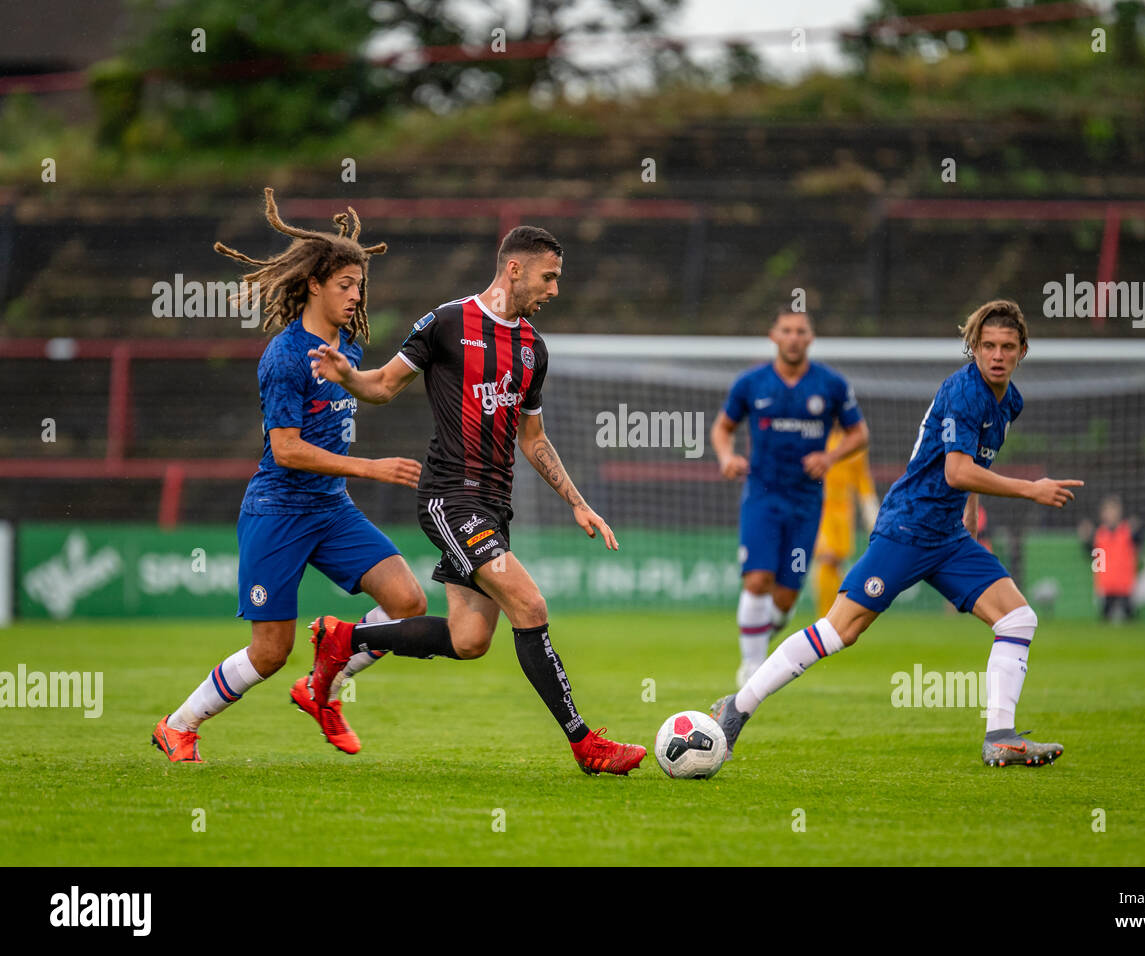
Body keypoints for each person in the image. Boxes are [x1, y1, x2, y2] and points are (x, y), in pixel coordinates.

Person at [305, 225, 646, 775]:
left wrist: (577, 502)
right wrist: (348, 376)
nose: (555, 290)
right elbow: (383, 387)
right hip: (449, 498)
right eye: (549, 277)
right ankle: (586, 744)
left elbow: (533, 439)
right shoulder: (446, 323)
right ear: (514, 269)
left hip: (495, 506)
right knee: (530, 606)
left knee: (468, 640)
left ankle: (344, 637)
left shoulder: (533, 348)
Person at [712, 299, 1084, 767]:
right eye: (987, 345)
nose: (996, 354)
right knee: (840, 630)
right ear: (973, 347)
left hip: (947, 536)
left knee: (1017, 620)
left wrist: (971, 508)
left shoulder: (1010, 401)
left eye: (1007, 346)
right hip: (908, 527)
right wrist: (1030, 489)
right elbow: (955, 470)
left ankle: (1000, 737)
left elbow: (972, 461)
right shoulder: (964, 391)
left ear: (1022, 351)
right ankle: (737, 708)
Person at [151, 188, 427, 763]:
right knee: (270, 651)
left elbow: (365, 392)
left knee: (407, 601)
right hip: (279, 511)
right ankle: (178, 724)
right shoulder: (283, 356)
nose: (356, 295)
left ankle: (321, 685)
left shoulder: (343, 346)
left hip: (330, 509)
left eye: (360, 285)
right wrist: (368, 467)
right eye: (346, 285)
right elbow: (286, 451)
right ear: (313, 286)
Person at [710, 310, 868, 689]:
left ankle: (763, 639)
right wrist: (727, 457)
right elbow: (722, 427)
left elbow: (858, 433)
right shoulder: (751, 382)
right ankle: (752, 669)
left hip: (807, 502)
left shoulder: (830, 384)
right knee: (757, 579)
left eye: (801, 331)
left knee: (784, 595)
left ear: (810, 338)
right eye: (787, 331)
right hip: (762, 497)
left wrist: (829, 457)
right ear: (774, 336)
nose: (794, 337)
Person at [812, 425, 880, 618]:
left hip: (844, 512)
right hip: (821, 508)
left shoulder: (855, 444)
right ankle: (824, 616)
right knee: (827, 557)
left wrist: (870, 508)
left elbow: (862, 479)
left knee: (837, 563)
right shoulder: (818, 437)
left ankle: (834, 615)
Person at [1079, 494, 1144, 621]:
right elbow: (1092, 555)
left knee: (1129, 621)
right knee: (1105, 621)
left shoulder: (1128, 530)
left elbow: (1142, 540)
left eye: (1113, 510)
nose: (1110, 514)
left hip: (1125, 586)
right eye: (1107, 510)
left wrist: (1138, 527)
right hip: (1105, 586)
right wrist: (1085, 539)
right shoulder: (1099, 534)